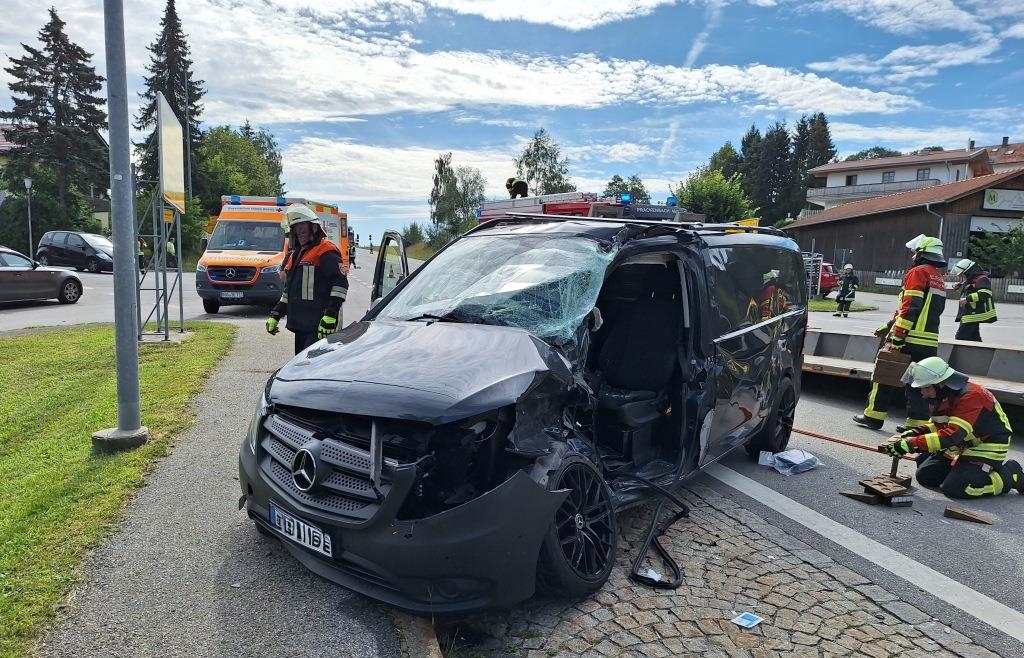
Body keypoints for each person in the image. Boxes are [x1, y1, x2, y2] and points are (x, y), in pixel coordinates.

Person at [882, 357, 1023, 499]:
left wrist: (911, 444)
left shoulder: (972, 396)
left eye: (926, 387)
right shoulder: (942, 395)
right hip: (962, 442)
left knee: (956, 488)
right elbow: (941, 425)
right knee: (926, 476)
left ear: (941, 383)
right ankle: (963, 470)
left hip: (987, 444)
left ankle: (1009, 475)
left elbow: (952, 435)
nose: (922, 393)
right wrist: (918, 432)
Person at [853, 234, 947, 431]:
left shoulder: (918, 272)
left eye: (914, 252)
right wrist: (888, 325)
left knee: (883, 376)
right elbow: (918, 310)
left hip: (909, 338)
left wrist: (897, 338)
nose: (912, 256)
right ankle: (917, 425)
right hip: (928, 341)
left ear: (921, 253)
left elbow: (910, 308)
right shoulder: (938, 277)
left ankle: (873, 417)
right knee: (919, 383)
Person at [266, 204, 349, 354]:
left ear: (314, 228)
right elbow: (289, 290)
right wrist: (276, 314)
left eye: (302, 229)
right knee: (302, 367)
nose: (300, 234)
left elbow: (340, 284)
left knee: (311, 367)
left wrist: (331, 314)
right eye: (296, 231)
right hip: (301, 325)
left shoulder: (325, 251)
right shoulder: (297, 254)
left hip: (319, 325)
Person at [950, 258, 996, 342]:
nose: (963, 276)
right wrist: (959, 286)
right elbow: (970, 287)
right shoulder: (973, 278)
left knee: (961, 337)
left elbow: (985, 293)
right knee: (974, 339)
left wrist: (967, 299)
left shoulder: (982, 279)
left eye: (964, 274)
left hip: (972, 315)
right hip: (970, 314)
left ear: (968, 271)